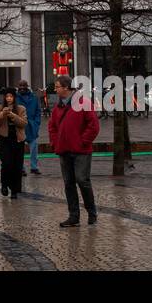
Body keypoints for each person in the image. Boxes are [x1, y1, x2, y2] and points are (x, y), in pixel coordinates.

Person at [47, 75, 99, 227]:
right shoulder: (57, 107)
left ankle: (92, 212)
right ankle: (73, 216)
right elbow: (52, 127)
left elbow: (93, 126)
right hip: (64, 150)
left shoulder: (84, 102)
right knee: (68, 183)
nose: (55, 89)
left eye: (57, 87)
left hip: (81, 150)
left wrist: (83, 142)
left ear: (66, 87)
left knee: (82, 180)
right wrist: (55, 142)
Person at [0, 88, 27, 199]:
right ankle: (4, 184)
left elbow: (23, 123)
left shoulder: (21, 108)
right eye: (7, 96)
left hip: (18, 140)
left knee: (17, 165)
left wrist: (12, 115)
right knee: (6, 164)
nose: (9, 99)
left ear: (14, 98)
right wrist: (2, 113)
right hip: (4, 140)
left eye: (11, 96)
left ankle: (14, 190)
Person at [15, 79, 43, 175]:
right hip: (20, 126)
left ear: (27, 86)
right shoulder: (15, 98)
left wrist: (36, 123)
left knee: (34, 148)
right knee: (19, 149)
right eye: (20, 86)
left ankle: (34, 167)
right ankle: (21, 168)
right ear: (18, 87)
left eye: (24, 85)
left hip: (32, 125)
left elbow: (38, 111)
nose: (22, 88)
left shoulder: (34, 97)